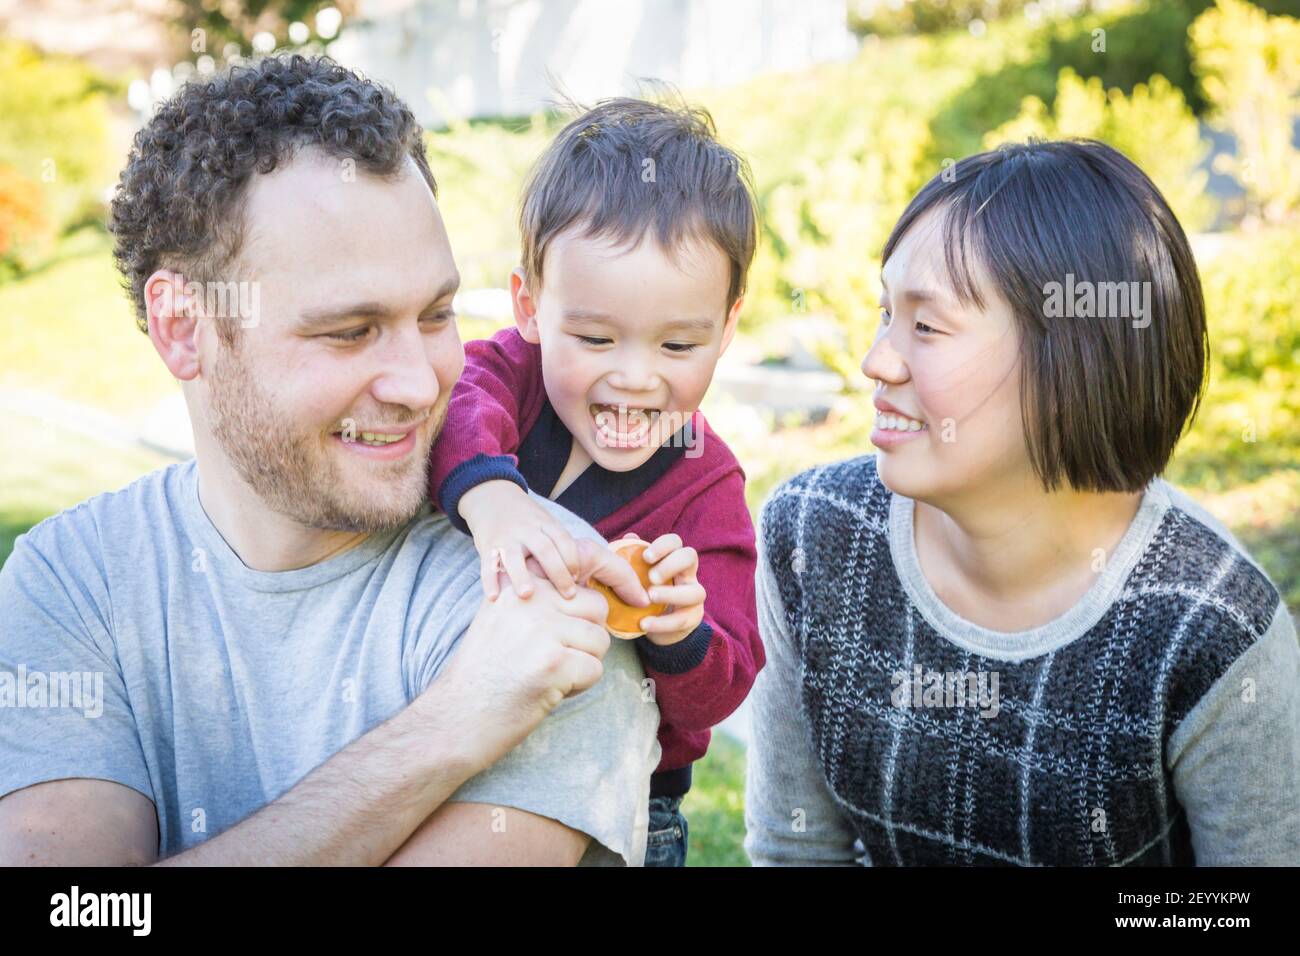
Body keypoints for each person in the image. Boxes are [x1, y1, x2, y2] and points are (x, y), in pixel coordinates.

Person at [0, 55, 660, 866]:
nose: (420, 384)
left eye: (435, 314)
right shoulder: (73, 582)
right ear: (183, 328)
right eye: (349, 330)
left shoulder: (539, 597)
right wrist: (444, 730)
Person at [744, 139, 1300, 866]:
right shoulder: (813, 535)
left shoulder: (1213, 629)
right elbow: (795, 851)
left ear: (1073, 355)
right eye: (886, 312)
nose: (877, 359)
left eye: (927, 326)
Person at [425, 99, 766, 866]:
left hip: (624, 806)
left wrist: (681, 635)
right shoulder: (508, 378)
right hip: (457, 760)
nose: (635, 378)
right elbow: (451, 409)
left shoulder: (706, 486)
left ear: (728, 325)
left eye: (679, 343)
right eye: (596, 337)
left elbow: (726, 684)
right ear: (531, 306)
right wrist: (494, 498)